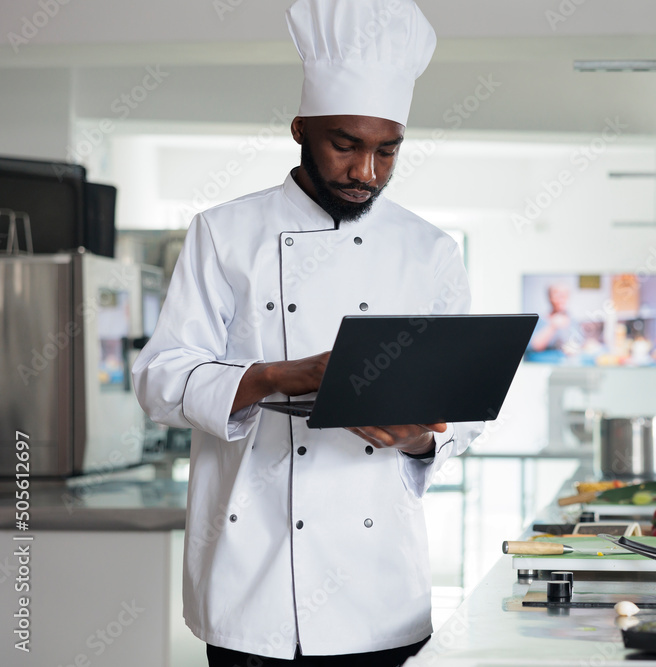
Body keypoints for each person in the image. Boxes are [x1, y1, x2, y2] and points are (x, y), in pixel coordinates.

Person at [132, 1, 481, 664]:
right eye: (344, 145)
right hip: (251, 583)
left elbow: (461, 408)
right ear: (300, 129)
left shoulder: (430, 250)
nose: (365, 172)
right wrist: (279, 376)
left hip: (378, 592)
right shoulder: (224, 233)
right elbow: (159, 378)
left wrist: (418, 438)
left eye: (386, 151)